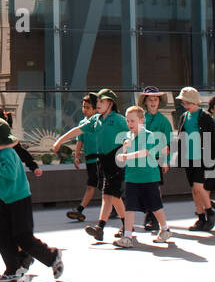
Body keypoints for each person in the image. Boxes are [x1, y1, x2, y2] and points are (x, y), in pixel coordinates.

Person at [0, 117, 64, 282]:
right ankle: (13, 269)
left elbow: (10, 174)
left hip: (19, 199)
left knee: (23, 237)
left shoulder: (6, 153)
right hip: (7, 200)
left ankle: (52, 256)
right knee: (3, 236)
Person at [113, 105, 171, 247]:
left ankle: (165, 229)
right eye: (128, 121)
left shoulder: (149, 135)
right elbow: (128, 150)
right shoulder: (128, 136)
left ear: (141, 120)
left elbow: (145, 152)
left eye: (132, 121)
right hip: (132, 177)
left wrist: (126, 155)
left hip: (148, 177)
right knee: (129, 207)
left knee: (155, 206)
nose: (129, 124)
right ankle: (127, 237)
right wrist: (125, 147)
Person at [82, 89, 129, 242]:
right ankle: (100, 228)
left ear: (111, 103)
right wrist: (59, 141)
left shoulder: (119, 119)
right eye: (98, 101)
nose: (98, 104)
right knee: (107, 196)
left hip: (117, 160)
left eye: (102, 101)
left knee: (113, 196)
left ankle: (126, 226)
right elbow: (78, 130)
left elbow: (134, 133)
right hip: (103, 161)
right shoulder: (97, 119)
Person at [176, 86, 215, 231]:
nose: (185, 106)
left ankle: (210, 212)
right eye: (183, 103)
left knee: (198, 187)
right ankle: (201, 218)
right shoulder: (184, 117)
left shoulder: (205, 117)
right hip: (189, 157)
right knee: (194, 190)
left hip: (203, 157)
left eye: (187, 103)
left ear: (194, 102)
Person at [52, 93, 100, 223]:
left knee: (93, 186)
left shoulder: (98, 120)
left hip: (99, 160)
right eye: (83, 107)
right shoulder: (82, 123)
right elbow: (80, 140)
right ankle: (112, 208)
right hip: (90, 160)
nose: (84, 110)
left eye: (88, 107)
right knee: (97, 186)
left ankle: (80, 210)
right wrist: (76, 156)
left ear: (96, 109)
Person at [138, 86, 173, 231]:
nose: (153, 102)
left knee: (155, 189)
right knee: (143, 188)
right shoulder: (140, 119)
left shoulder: (164, 121)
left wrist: (166, 160)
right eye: (150, 100)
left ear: (159, 102)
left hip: (157, 158)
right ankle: (149, 216)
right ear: (145, 102)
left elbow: (168, 142)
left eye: (155, 100)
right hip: (142, 158)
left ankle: (154, 218)